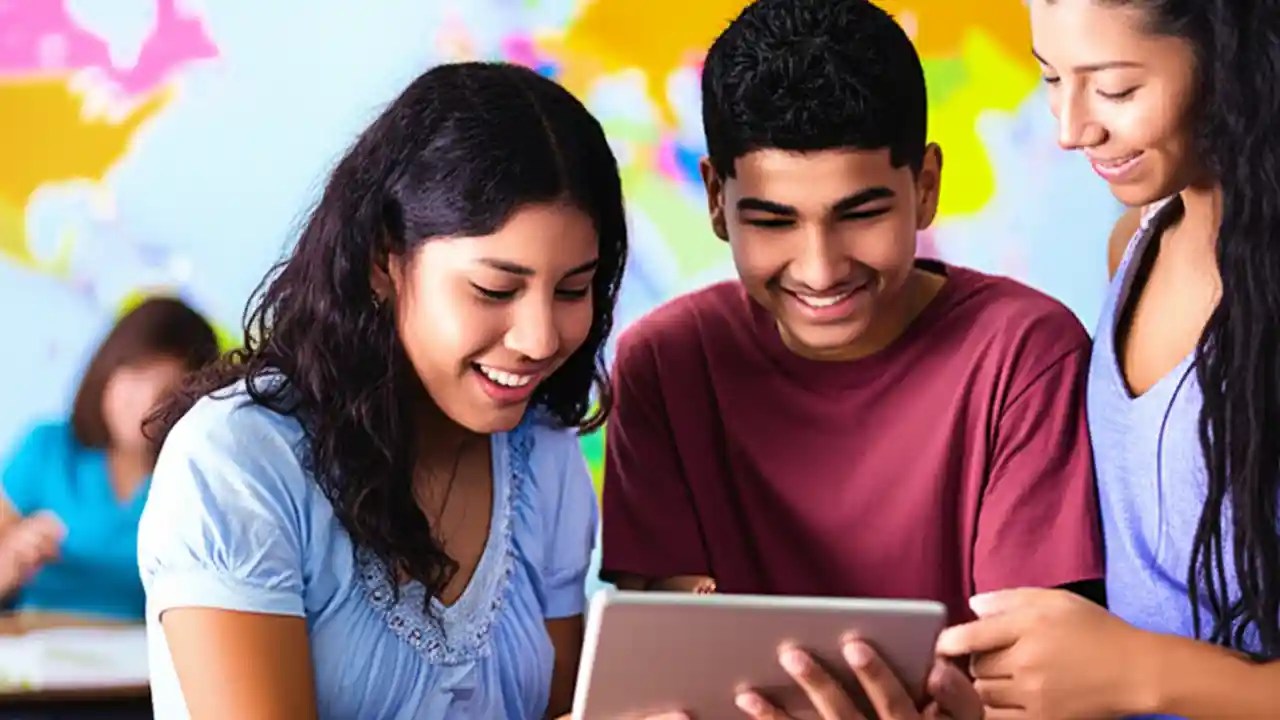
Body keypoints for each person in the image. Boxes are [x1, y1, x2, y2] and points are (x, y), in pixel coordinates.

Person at [599, 0, 1106, 717]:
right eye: (772, 221)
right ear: (716, 200)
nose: (820, 267)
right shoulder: (664, 365)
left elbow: (1041, 679)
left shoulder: (1026, 356)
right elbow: (665, 651)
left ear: (924, 187)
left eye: (860, 214)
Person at [136, 61, 632, 720]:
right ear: (383, 260)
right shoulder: (239, 460)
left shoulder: (543, 455)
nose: (541, 338)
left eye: (574, 289)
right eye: (494, 290)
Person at [937, 1, 1280, 718]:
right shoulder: (1134, 246)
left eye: (1117, 89)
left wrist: (1135, 671)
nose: (1071, 129)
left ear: (1232, 62)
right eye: (1051, 78)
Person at [0, 296, 218, 620]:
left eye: (168, 393)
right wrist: (11, 562)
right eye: (135, 376)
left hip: (144, 664)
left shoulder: (201, 477)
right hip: (34, 653)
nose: (146, 405)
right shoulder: (47, 447)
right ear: (107, 371)